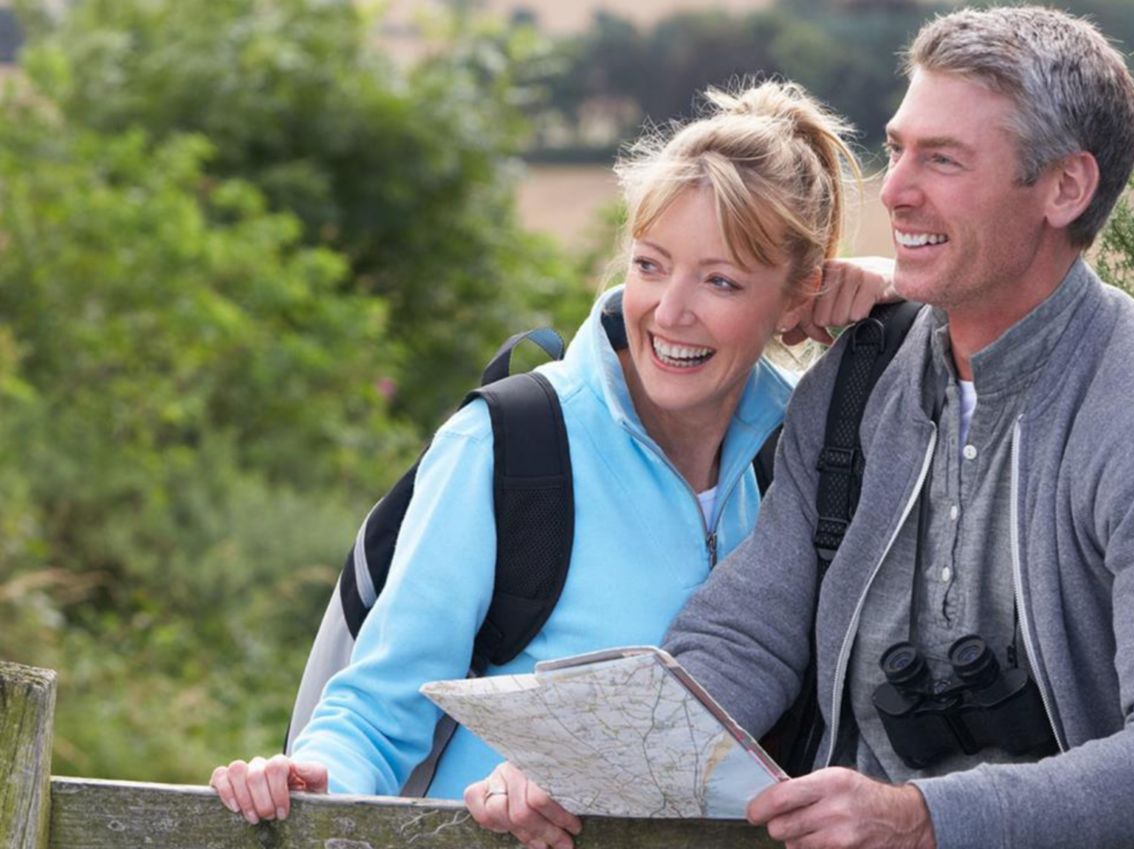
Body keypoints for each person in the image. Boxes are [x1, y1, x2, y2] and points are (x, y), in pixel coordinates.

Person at [474, 7, 1134, 849]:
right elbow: (747, 632)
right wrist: (589, 754)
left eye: (942, 160)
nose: (893, 188)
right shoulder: (857, 376)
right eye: (899, 147)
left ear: (1064, 188)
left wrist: (922, 819)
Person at [207, 80, 890, 824]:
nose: (669, 312)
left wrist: (899, 292)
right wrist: (317, 773)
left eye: (719, 280)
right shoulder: (508, 445)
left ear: (799, 298)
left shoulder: (816, 457)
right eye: (650, 264)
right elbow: (377, 708)